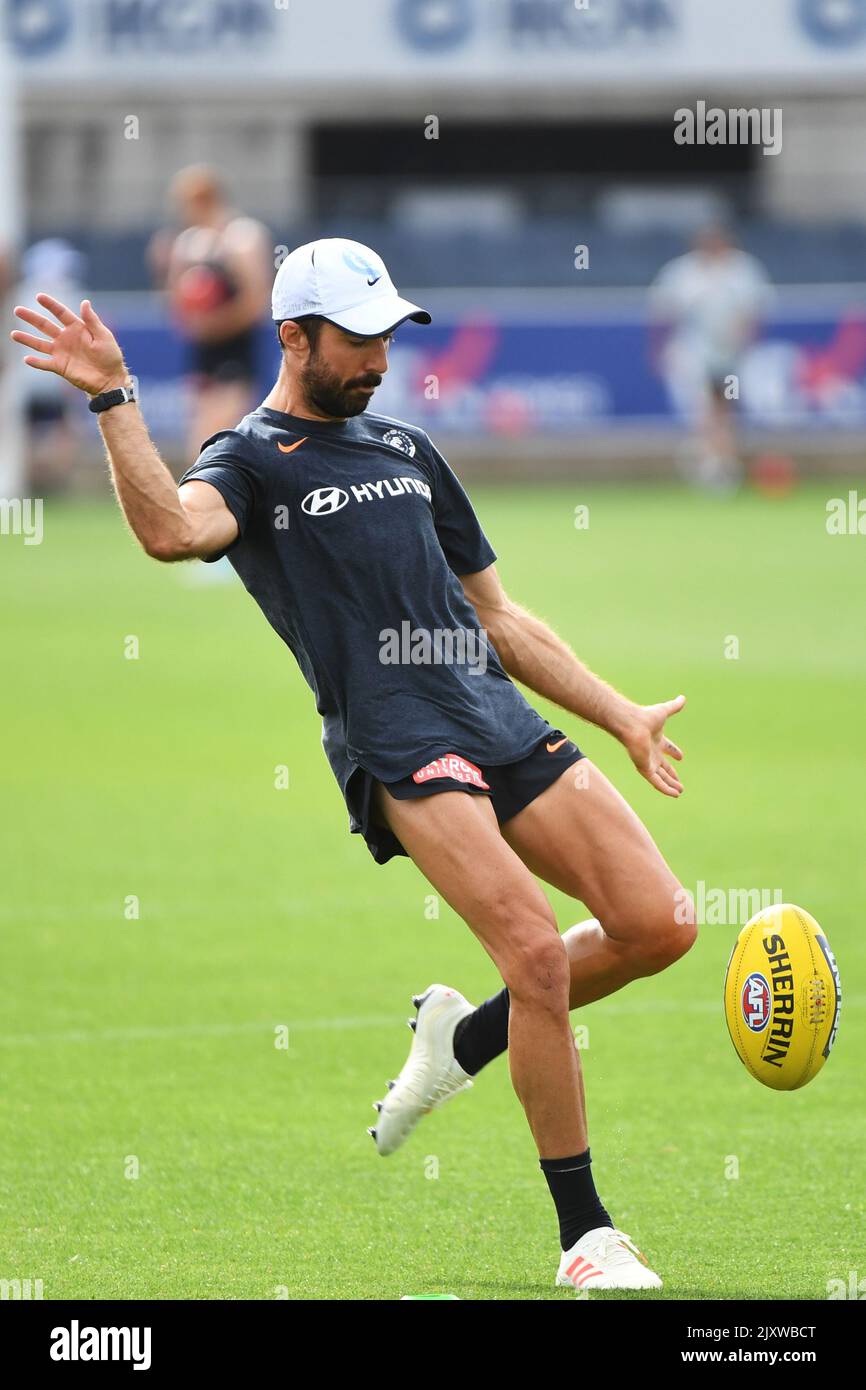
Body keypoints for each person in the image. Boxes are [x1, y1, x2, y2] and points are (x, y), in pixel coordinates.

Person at [11, 237, 695, 1294]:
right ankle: (588, 1235)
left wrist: (619, 715)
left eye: (387, 335)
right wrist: (114, 401)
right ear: (293, 337)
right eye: (357, 339)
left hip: (493, 714)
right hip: (395, 740)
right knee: (538, 957)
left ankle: (457, 1043)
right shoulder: (246, 459)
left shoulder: (408, 450)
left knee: (662, 925)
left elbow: (498, 616)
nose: (378, 357)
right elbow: (167, 533)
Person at [150, 165, 272, 465]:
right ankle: (201, 501)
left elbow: (257, 302)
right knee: (200, 436)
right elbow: (175, 304)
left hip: (235, 348)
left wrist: (215, 325)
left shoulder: (242, 237)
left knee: (225, 431)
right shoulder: (187, 242)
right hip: (202, 350)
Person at [649, 224, 774, 490]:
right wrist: (658, 349)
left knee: (725, 408)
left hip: (731, 355)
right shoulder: (681, 272)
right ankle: (710, 465)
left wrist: (744, 341)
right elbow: (662, 313)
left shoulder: (743, 270)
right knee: (702, 409)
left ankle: (723, 463)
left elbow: (754, 313)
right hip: (694, 351)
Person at [17, 238, 86, 491]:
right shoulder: (71, 296)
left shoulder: (20, 294)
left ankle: (40, 484)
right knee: (61, 433)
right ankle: (48, 484)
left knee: (34, 435)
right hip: (53, 379)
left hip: (30, 379)